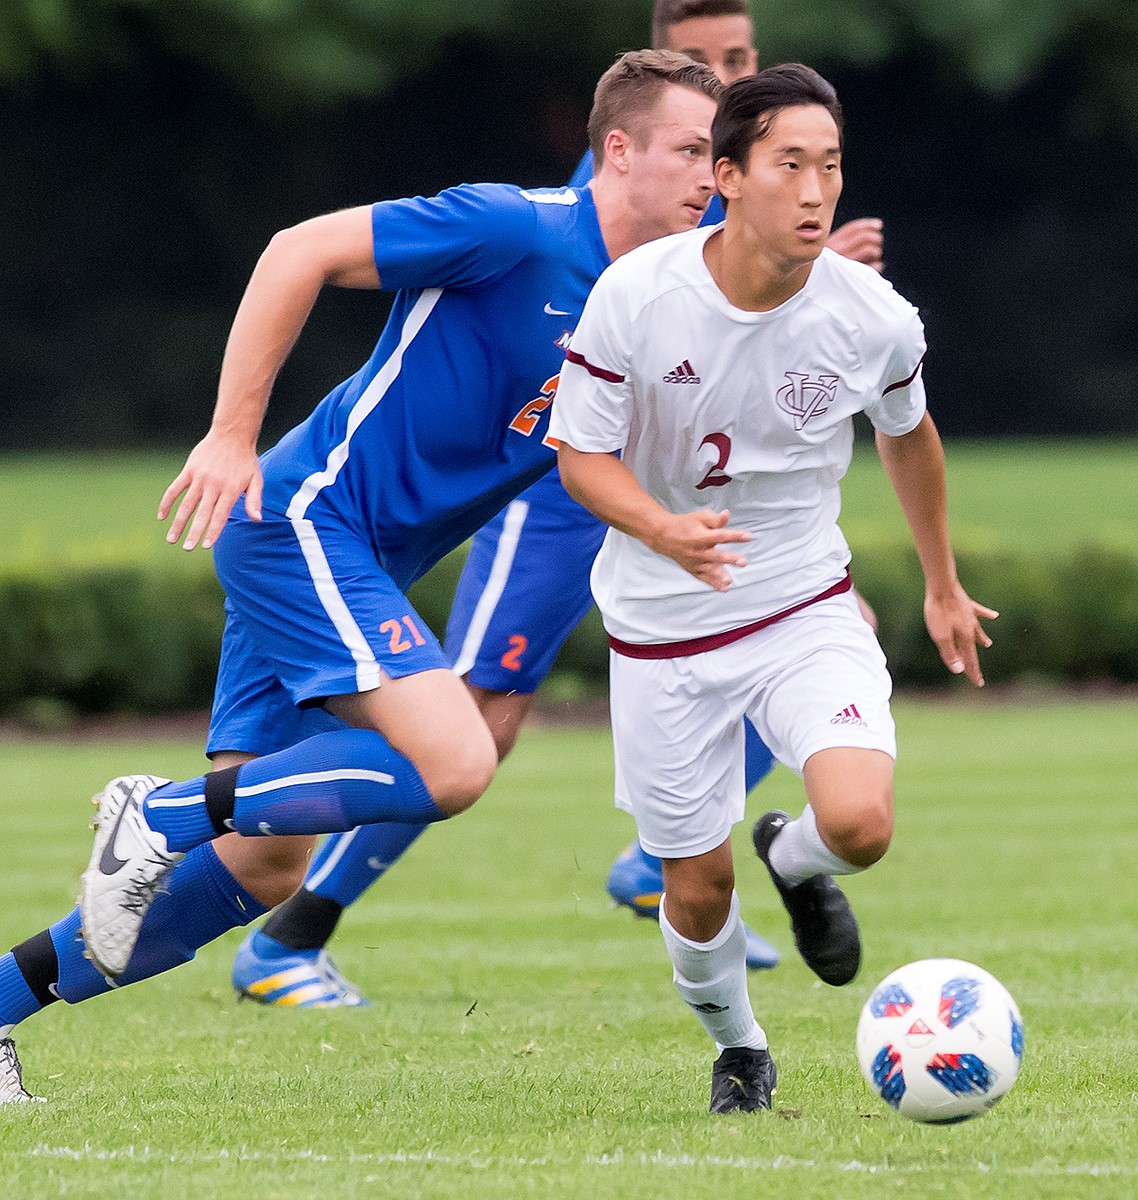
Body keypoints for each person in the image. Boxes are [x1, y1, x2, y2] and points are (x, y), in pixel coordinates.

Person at [0, 50, 723, 1101]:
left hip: (342, 554)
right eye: (691, 149)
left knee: (262, 867)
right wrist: (229, 435)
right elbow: (298, 250)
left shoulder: (648, 304)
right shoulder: (515, 228)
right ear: (618, 151)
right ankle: (157, 816)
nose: (711, 174)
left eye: (718, 154)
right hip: (302, 521)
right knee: (459, 762)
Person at [231, 0, 886, 1006]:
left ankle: (689, 848)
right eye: (705, 62)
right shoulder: (609, 198)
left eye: (742, 59)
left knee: (828, 627)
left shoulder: (735, 191)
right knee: (475, 728)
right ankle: (290, 931)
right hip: (557, 495)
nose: (729, 79)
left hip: (673, 484)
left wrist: (807, 281)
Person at [549, 64, 995, 1113]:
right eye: (789, 165)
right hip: (662, 630)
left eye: (830, 167)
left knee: (863, 822)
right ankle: (739, 1047)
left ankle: (796, 862)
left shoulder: (870, 319)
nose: (815, 191)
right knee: (696, 891)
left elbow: (910, 437)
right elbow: (580, 457)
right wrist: (663, 528)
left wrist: (941, 582)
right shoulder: (638, 295)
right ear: (728, 175)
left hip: (801, 603)